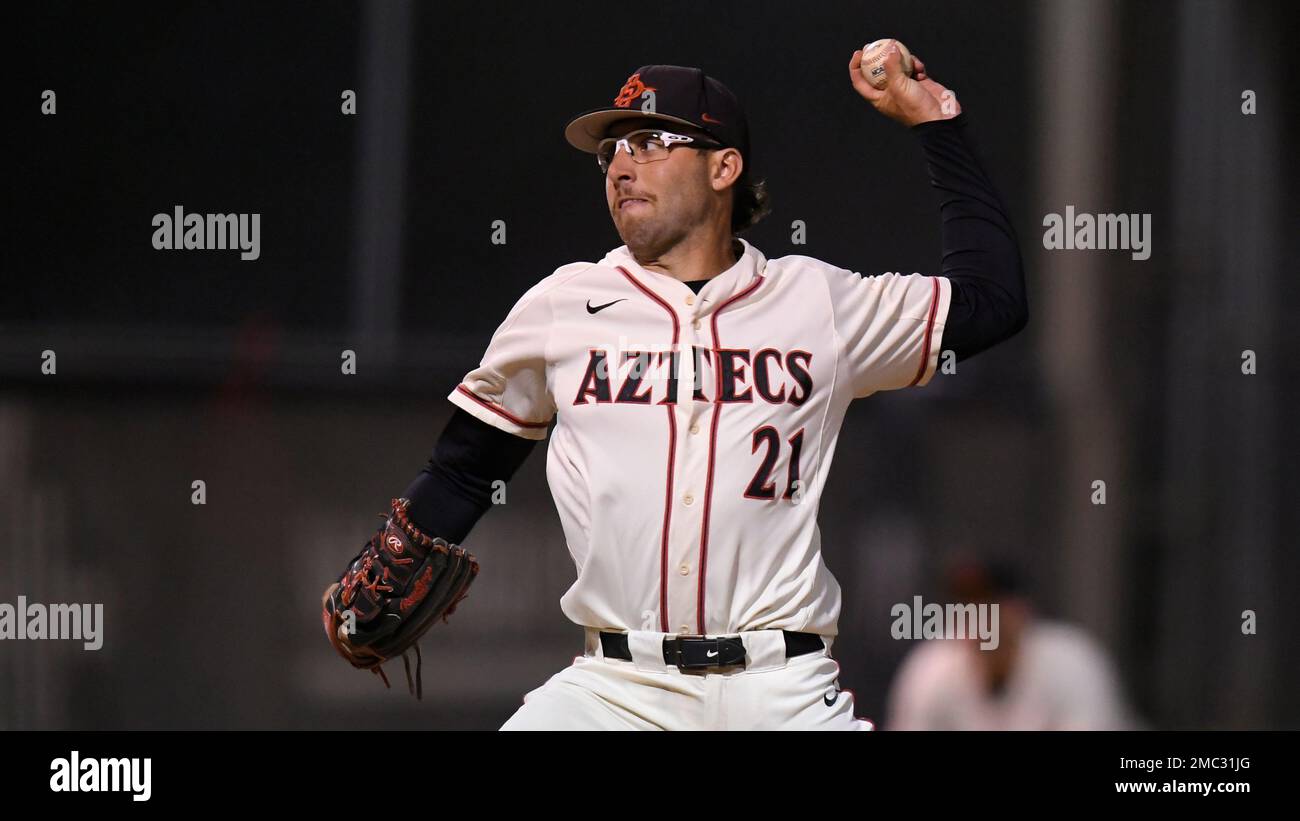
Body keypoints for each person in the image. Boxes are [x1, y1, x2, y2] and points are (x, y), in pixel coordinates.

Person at [356, 47, 1026, 729]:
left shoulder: (816, 302)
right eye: (612, 151)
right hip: (615, 689)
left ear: (723, 167)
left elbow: (993, 301)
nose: (621, 165)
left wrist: (937, 123)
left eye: (649, 142)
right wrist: (375, 572)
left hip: (781, 689)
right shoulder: (565, 305)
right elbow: (466, 468)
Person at [886, 559, 1137, 730]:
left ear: (1020, 610)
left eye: (990, 604)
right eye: (968, 604)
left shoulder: (1071, 660)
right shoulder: (932, 669)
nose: (979, 616)